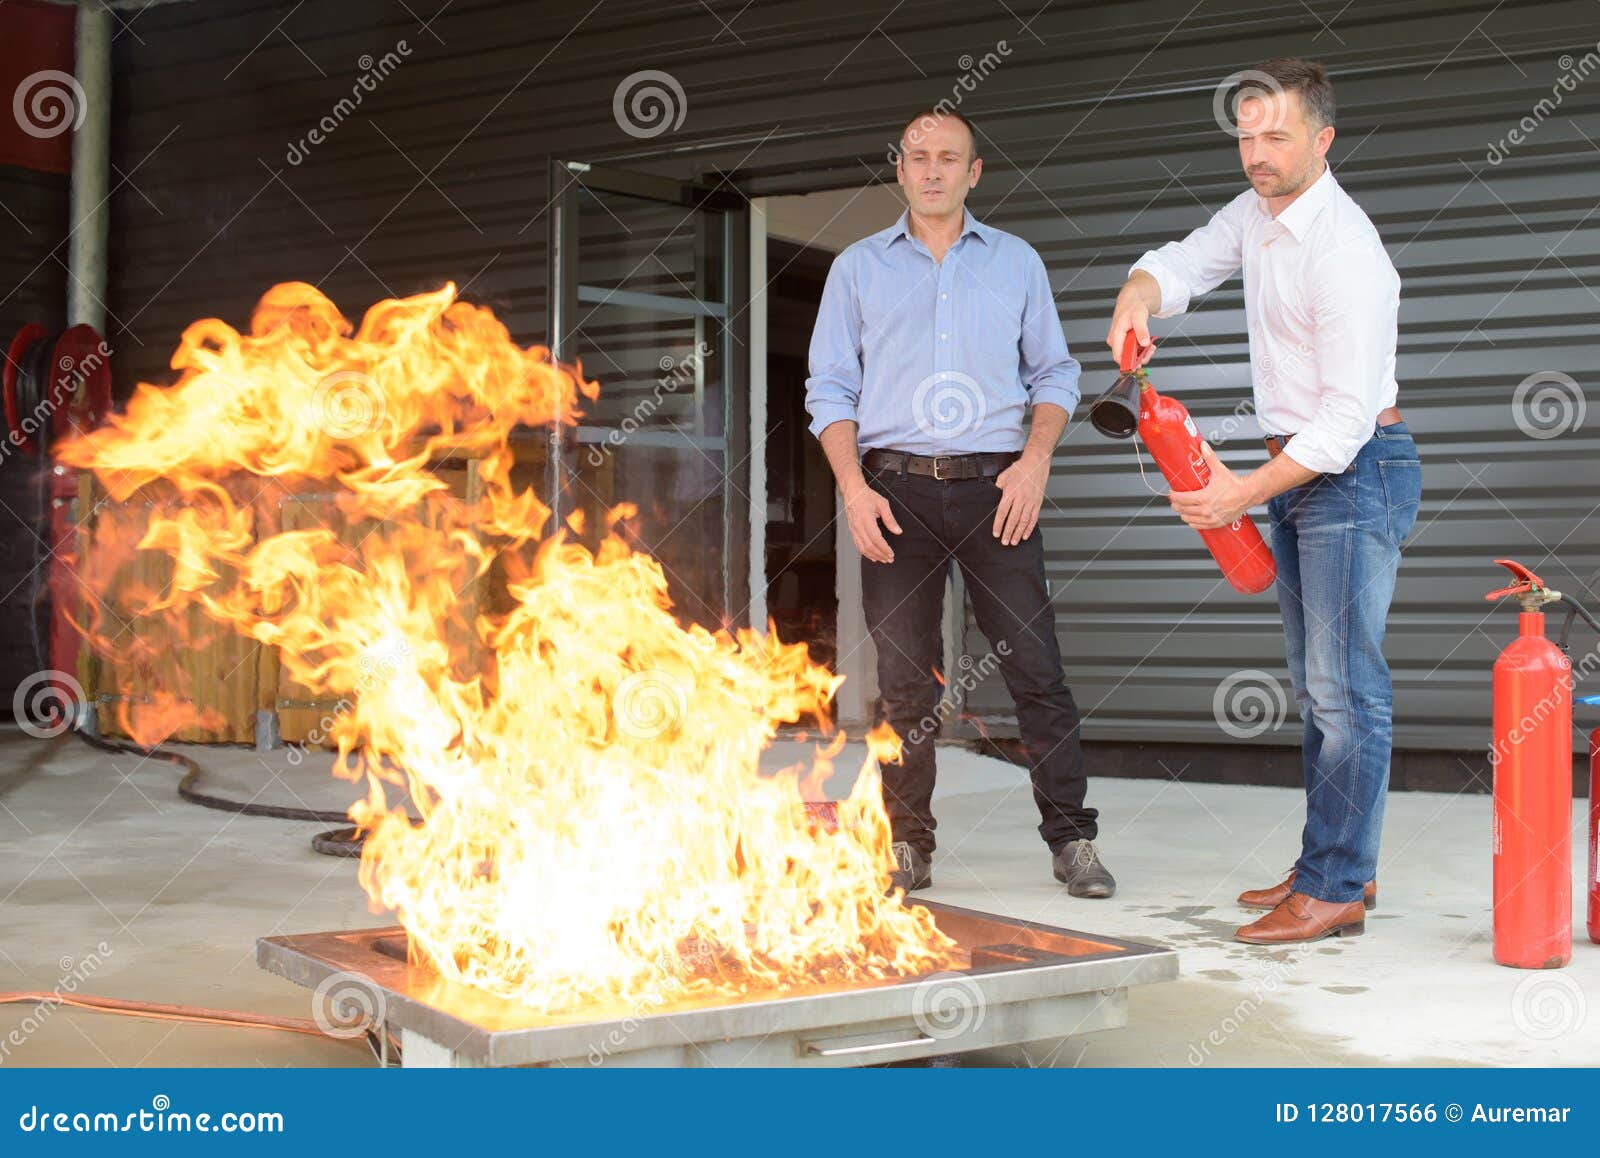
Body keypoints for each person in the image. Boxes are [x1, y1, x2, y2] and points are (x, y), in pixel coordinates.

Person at [1107, 58, 1421, 945]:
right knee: (1317, 689)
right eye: (1245, 135)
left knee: (1346, 689)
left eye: (1275, 135)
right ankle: (1330, 863)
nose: (1256, 152)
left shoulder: (1346, 252)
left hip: (1354, 470)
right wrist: (1138, 292)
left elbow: (1346, 423)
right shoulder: (1256, 213)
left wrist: (1241, 491)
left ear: (1322, 138)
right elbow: (1183, 263)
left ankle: (1338, 884)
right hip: (1298, 469)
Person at [805, 107, 1113, 899]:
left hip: (996, 490)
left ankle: (1073, 840)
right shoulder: (858, 270)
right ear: (899, 170)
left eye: (949, 158)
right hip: (894, 495)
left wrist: (1035, 461)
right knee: (906, 686)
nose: (933, 170)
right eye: (918, 157)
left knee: (1037, 671)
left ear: (974, 173)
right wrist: (853, 488)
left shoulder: (1015, 263)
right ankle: (908, 844)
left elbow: (1055, 374)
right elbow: (830, 388)